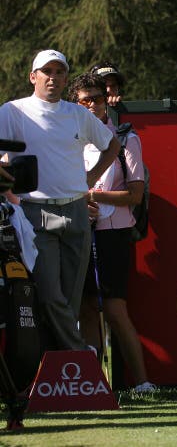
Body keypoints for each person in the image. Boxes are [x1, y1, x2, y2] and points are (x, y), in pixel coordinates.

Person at [0, 50, 121, 352]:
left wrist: (89, 180)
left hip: (76, 209)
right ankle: (80, 355)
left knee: (69, 295)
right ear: (33, 76)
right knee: (50, 294)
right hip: (33, 213)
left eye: (58, 72)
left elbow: (112, 145)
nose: (52, 77)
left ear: (65, 78)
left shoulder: (78, 113)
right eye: (46, 72)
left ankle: (58, 370)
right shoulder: (12, 111)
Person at [67, 73, 156, 393]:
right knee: (86, 308)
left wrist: (92, 197)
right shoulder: (70, 137)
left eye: (97, 98)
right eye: (84, 100)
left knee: (115, 310)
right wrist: (80, 205)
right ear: (75, 104)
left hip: (114, 234)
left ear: (106, 100)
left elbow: (134, 195)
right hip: (79, 231)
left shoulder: (125, 137)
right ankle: (95, 384)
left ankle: (143, 382)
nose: (91, 105)